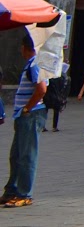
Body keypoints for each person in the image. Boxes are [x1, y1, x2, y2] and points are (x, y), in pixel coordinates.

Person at [1, 39, 48, 207]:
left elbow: (42, 89)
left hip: (31, 115)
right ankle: (11, 191)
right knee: (16, 156)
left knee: (27, 156)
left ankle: (24, 194)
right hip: (24, 115)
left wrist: (27, 108)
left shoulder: (35, 64)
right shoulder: (32, 64)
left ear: (24, 48)